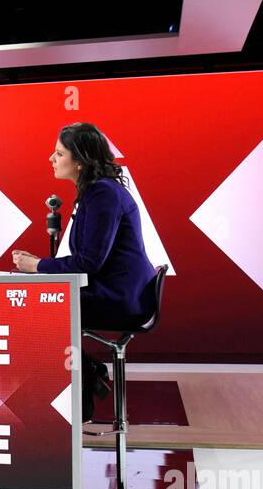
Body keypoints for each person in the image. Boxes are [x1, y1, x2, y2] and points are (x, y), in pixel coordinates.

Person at [10, 122, 157, 421]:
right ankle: (82, 379)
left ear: (79, 160)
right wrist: (38, 266)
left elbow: (89, 263)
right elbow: (86, 259)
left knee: (34, 312)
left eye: (58, 153)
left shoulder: (103, 193)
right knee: (38, 308)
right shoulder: (96, 191)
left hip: (119, 299)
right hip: (114, 292)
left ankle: (77, 390)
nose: (51, 159)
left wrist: (36, 266)